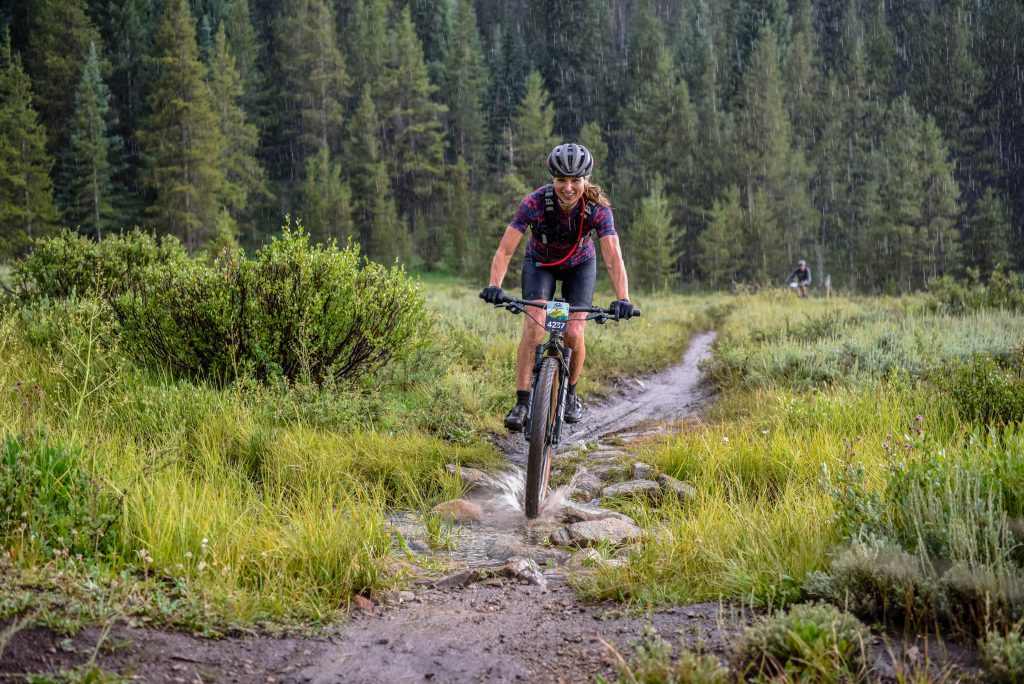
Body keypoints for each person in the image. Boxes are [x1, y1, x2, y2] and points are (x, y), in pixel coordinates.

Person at [480, 143, 635, 431]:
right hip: (541, 265)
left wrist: (622, 298)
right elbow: (505, 250)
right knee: (536, 325)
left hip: (580, 266)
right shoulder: (534, 203)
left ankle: (572, 393)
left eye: (575, 180)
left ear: (585, 180)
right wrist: (494, 285)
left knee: (574, 331)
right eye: (561, 180)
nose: (568, 187)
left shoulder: (597, 210)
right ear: (553, 179)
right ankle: (523, 401)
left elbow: (613, 257)